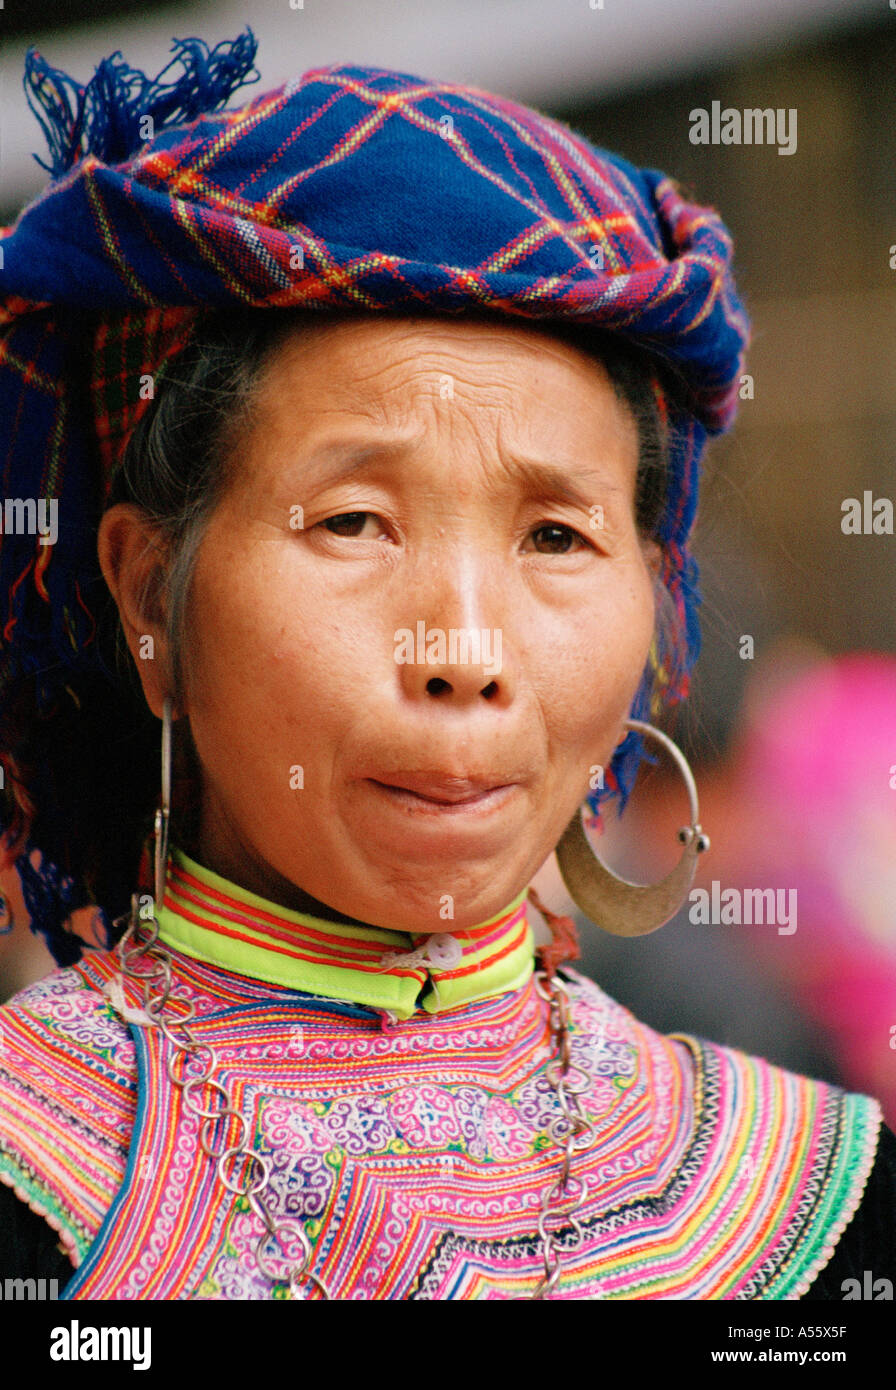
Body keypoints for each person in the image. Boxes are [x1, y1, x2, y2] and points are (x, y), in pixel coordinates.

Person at [0, 30, 892, 1301]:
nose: (463, 651)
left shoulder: (827, 1193)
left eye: (555, 535)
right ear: (154, 595)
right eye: (352, 522)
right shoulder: (31, 1177)